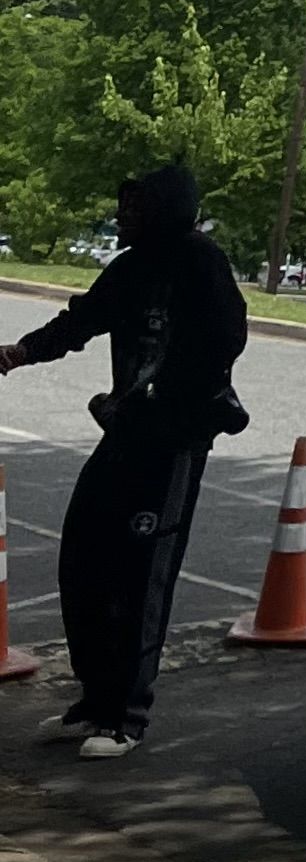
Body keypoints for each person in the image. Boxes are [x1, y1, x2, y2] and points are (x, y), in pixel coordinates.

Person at [0, 166, 249, 758]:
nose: (120, 218)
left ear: (163, 210)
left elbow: (225, 342)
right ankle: (94, 703)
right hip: (127, 433)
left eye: (132, 208)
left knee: (143, 575)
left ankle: (126, 719)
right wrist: (19, 352)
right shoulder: (131, 267)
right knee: (84, 555)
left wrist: (167, 399)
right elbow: (82, 321)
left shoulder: (200, 265)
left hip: (174, 442)